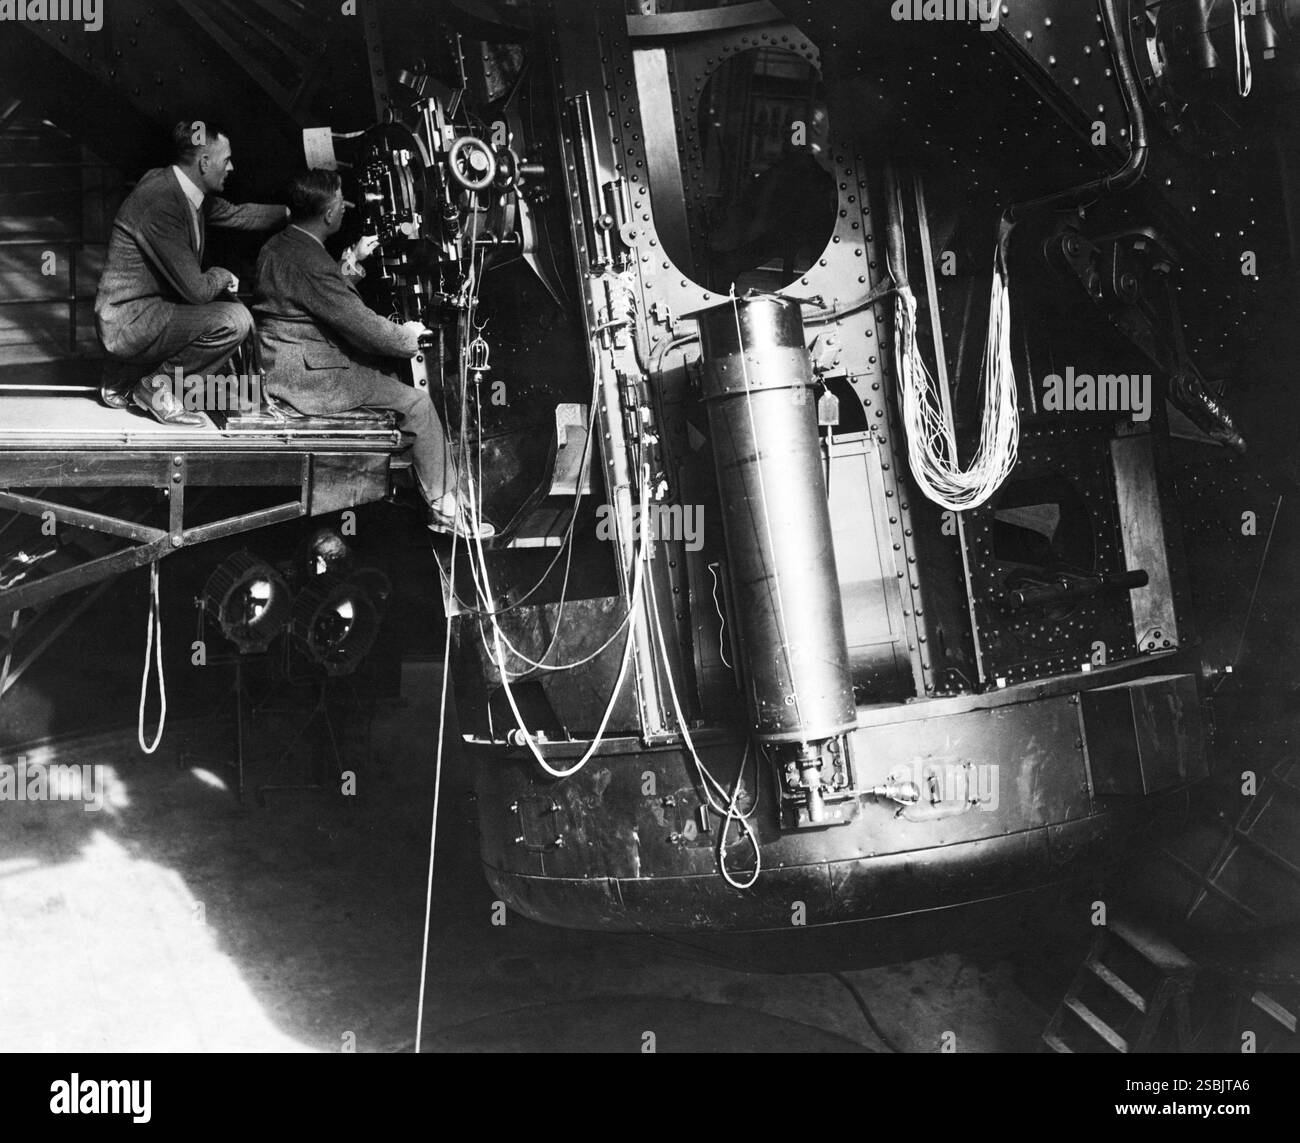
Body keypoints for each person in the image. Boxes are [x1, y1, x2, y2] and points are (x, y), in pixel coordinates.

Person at [251, 168, 491, 537]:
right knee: (416, 404)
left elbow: (310, 297)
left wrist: (354, 263)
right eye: (340, 202)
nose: (346, 207)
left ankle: (420, 479)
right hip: (308, 377)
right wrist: (407, 337)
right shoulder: (312, 262)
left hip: (280, 363)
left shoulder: (278, 246)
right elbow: (361, 325)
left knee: (386, 380)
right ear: (329, 215)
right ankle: (446, 511)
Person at [94, 120, 289, 425]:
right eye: (226, 160)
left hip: (150, 310)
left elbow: (238, 215)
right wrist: (223, 274)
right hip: (129, 322)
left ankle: (128, 373)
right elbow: (196, 290)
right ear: (204, 163)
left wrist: (295, 212)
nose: (232, 167)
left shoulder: (180, 187)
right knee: (234, 320)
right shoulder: (160, 203)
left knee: (226, 310)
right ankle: (156, 387)